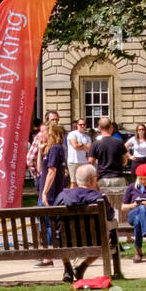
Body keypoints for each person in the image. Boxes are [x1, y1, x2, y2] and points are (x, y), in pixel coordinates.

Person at [54, 163, 116, 282]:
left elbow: (54, 218)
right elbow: (110, 216)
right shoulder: (98, 198)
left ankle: (67, 268)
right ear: (93, 179)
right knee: (108, 237)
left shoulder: (62, 196)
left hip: (65, 240)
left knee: (59, 235)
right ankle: (83, 266)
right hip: (94, 240)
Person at [37, 121, 68, 267]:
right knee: (46, 223)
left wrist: (44, 193)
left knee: (49, 224)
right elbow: (40, 169)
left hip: (51, 192)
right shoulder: (50, 149)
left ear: (51, 134)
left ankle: (49, 256)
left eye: (44, 132)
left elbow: (52, 171)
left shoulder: (55, 149)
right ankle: (49, 255)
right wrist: (39, 150)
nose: (42, 134)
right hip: (47, 190)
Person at [90, 117, 127, 191]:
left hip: (103, 179)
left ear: (99, 128)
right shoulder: (119, 142)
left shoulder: (95, 144)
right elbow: (124, 161)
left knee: (103, 202)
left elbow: (91, 162)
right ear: (111, 127)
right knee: (119, 202)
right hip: (118, 178)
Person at [66, 118, 91, 185]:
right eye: (80, 124)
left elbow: (89, 150)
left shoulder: (88, 137)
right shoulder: (72, 134)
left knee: (84, 182)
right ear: (77, 125)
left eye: (84, 124)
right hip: (73, 161)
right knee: (74, 182)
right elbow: (75, 146)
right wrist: (84, 147)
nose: (82, 126)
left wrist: (81, 145)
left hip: (83, 161)